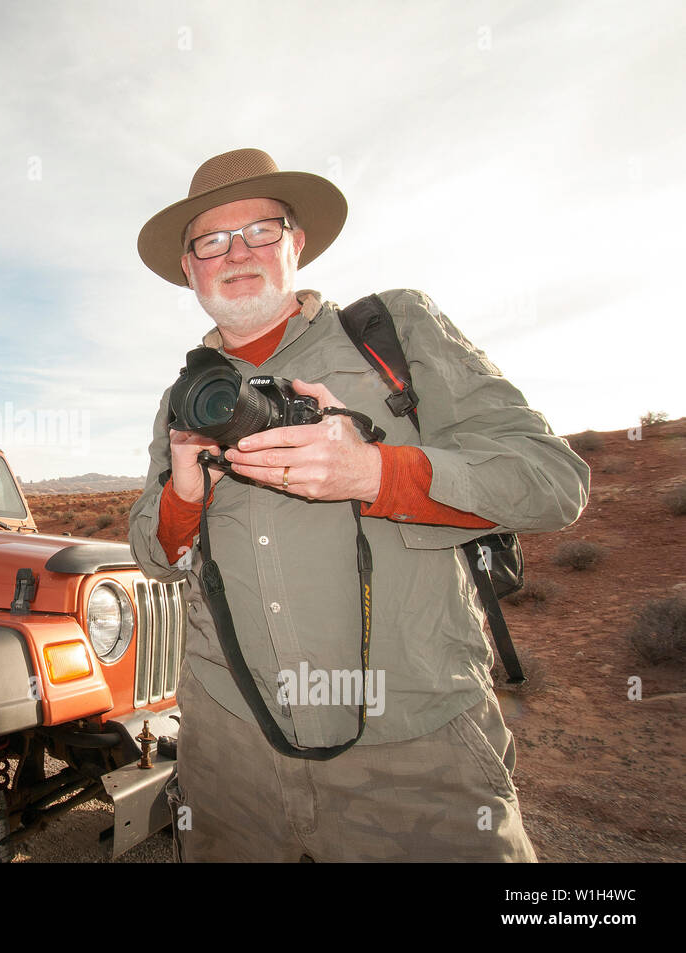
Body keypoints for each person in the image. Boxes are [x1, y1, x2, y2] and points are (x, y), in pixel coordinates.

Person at [127, 148, 590, 862]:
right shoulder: (185, 398)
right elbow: (156, 556)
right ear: (189, 267)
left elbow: (553, 480)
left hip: (412, 745)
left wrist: (375, 472)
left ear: (296, 243)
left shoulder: (392, 333)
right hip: (229, 750)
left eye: (261, 231)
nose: (238, 253)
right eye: (212, 241)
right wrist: (183, 496)